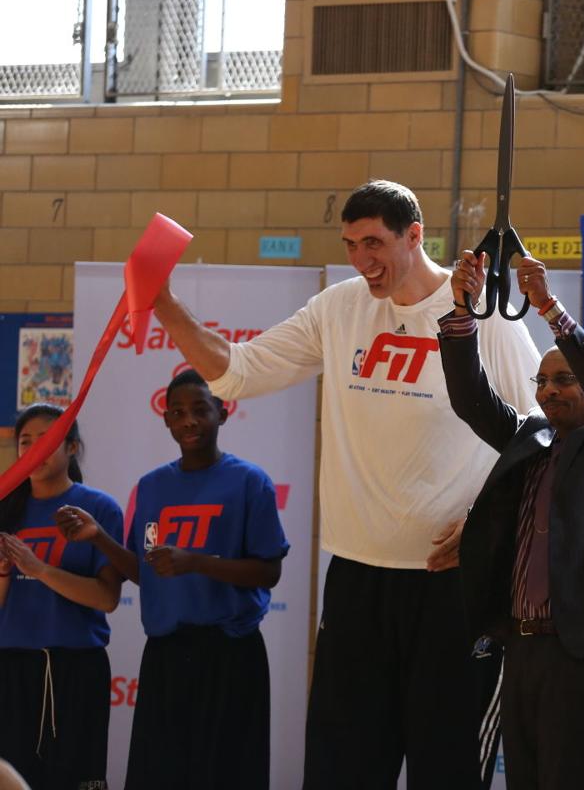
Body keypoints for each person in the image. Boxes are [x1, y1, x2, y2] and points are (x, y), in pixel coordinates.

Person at [150, 180, 540, 788]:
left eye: (375, 243)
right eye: (351, 244)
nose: (362, 260)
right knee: (343, 768)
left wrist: (486, 523)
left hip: (453, 588)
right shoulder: (339, 308)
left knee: (449, 768)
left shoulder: (479, 314)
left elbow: (538, 437)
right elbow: (238, 374)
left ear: (415, 236)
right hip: (357, 579)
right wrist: (163, 301)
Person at [439, 253, 584, 788]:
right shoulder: (528, 438)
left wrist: (553, 313)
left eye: (564, 380)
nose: (548, 391)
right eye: (541, 382)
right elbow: (472, 400)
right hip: (520, 644)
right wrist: (461, 310)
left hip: (581, 649)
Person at [59, 370, 288, 789]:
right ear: (166, 420)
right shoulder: (151, 487)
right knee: (160, 773)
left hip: (231, 654)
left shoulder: (249, 481)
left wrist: (195, 562)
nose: (189, 421)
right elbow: (143, 572)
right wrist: (100, 538)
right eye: (178, 412)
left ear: (222, 412)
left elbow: (268, 571)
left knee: (228, 773)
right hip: (167, 654)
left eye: (200, 410)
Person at [0, 405, 123, 790]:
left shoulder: (99, 509)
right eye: (26, 442)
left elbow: (106, 598)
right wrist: (6, 569)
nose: (35, 450)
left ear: (72, 447)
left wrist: (40, 570)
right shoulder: (6, 509)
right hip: (12, 669)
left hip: (75, 671)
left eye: (48, 441)